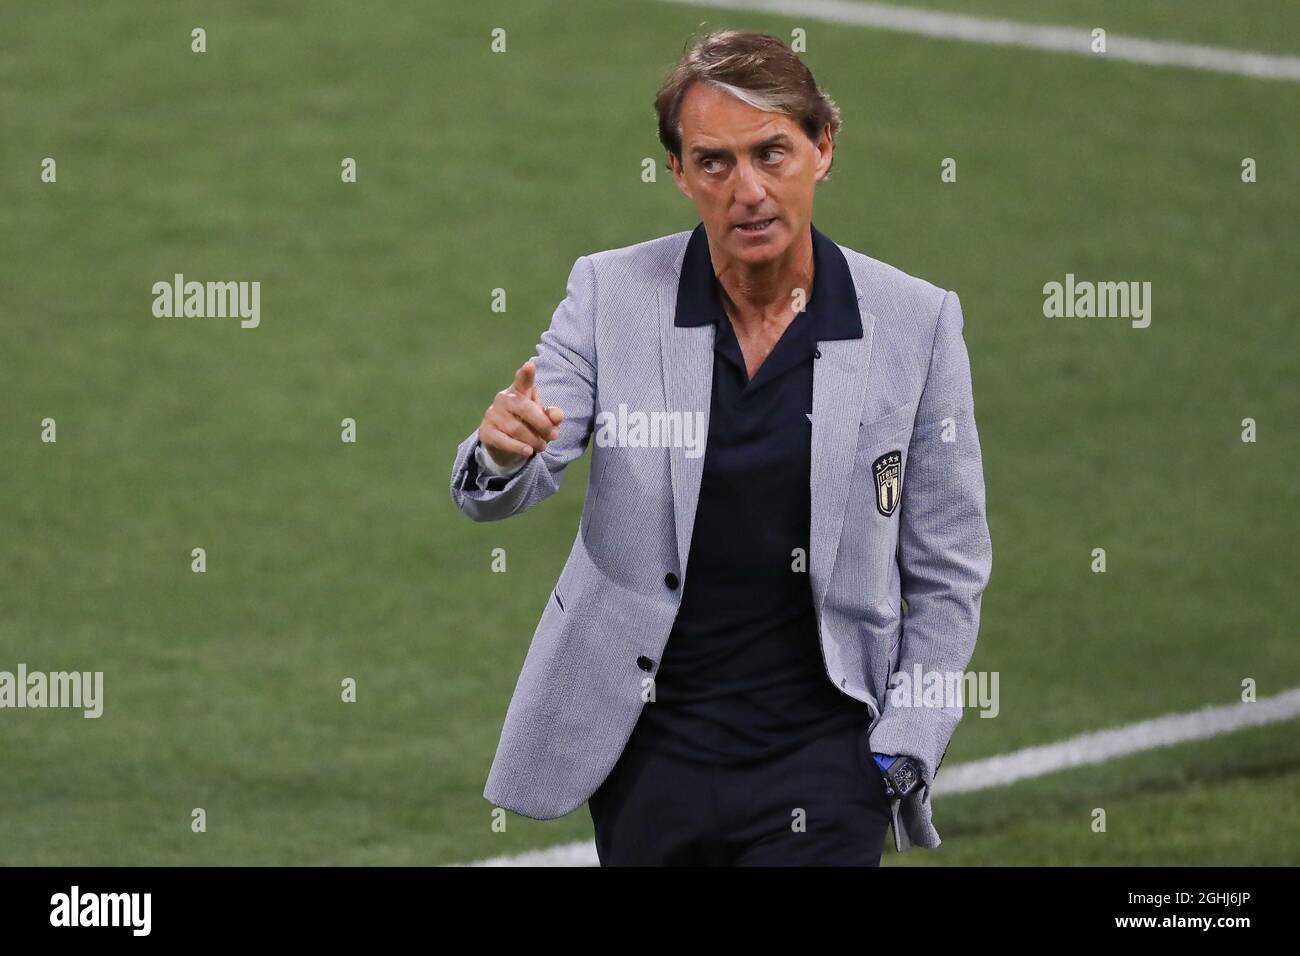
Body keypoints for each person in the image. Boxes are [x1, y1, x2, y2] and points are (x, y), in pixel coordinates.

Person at [450, 29, 992, 865]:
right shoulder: (611, 295)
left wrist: (907, 738)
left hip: (827, 759)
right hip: (651, 753)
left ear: (824, 148)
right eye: (714, 162)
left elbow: (948, 567)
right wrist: (503, 454)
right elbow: (517, 468)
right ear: (677, 173)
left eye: (772, 153)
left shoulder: (915, 323)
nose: (748, 190)